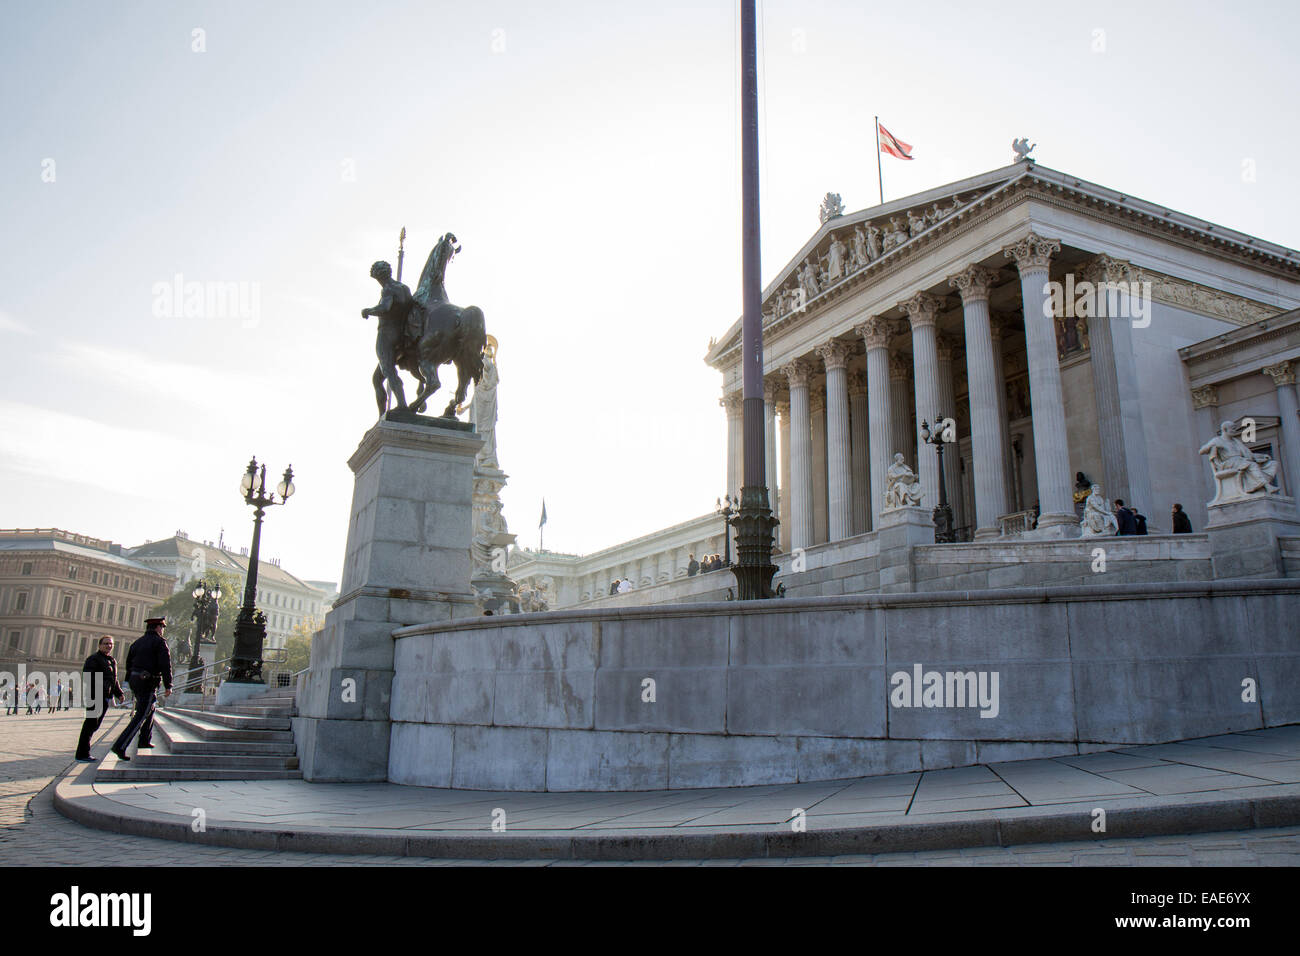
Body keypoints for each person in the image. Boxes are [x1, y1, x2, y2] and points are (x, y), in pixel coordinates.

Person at [110, 617, 173, 761]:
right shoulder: (160, 642)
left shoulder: (136, 643)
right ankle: (120, 745)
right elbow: (165, 665)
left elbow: (128, 663)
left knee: (150, 708)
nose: (162, 630)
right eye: (162, 627)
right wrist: (168, 684)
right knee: (142, 713)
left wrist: (128, 681)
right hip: (149, 681)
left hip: (135, 679)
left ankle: (145, 739)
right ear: (158, 628)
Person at [75, 635, 125, 761]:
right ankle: (82, 754)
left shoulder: (112, 661)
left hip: (105, 697)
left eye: (111, 644)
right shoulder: (93, 659)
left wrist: (119, 693)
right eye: (106, 643)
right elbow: (88, 677)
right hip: (95, 696)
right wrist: (101, 689)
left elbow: (114, 679)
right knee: (90, 725)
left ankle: (84, 752)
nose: (109, 646)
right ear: (100, 645)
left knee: (94, 725)